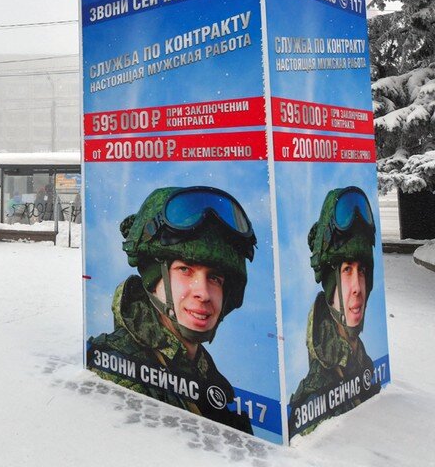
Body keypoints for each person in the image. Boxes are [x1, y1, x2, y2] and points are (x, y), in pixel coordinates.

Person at [86, 186, 256, 434]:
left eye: (215, 279)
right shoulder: (113, 368)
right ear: (155, 279)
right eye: (185, 270)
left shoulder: (213, 384)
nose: (204, 294)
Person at [289, 187, 380, 435]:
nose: (357, 288)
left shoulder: (364, 365)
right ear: (330, 288)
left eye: (361, 271)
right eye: (347, 270)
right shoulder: (314, 397)